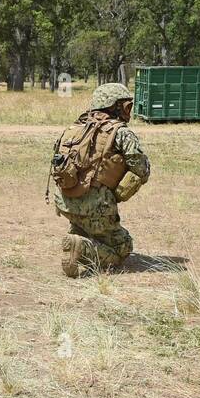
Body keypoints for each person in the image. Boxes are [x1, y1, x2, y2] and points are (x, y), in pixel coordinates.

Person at [50, 83, 151, 277]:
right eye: (126, 106)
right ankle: (82, 248)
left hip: (65, 202)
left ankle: (78, 236)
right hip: (97, 207)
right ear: (114, 106)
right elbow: (140, 169)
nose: (128, 112)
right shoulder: (121, 132)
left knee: (86, 228)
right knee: (123, 247)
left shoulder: (75, 128)